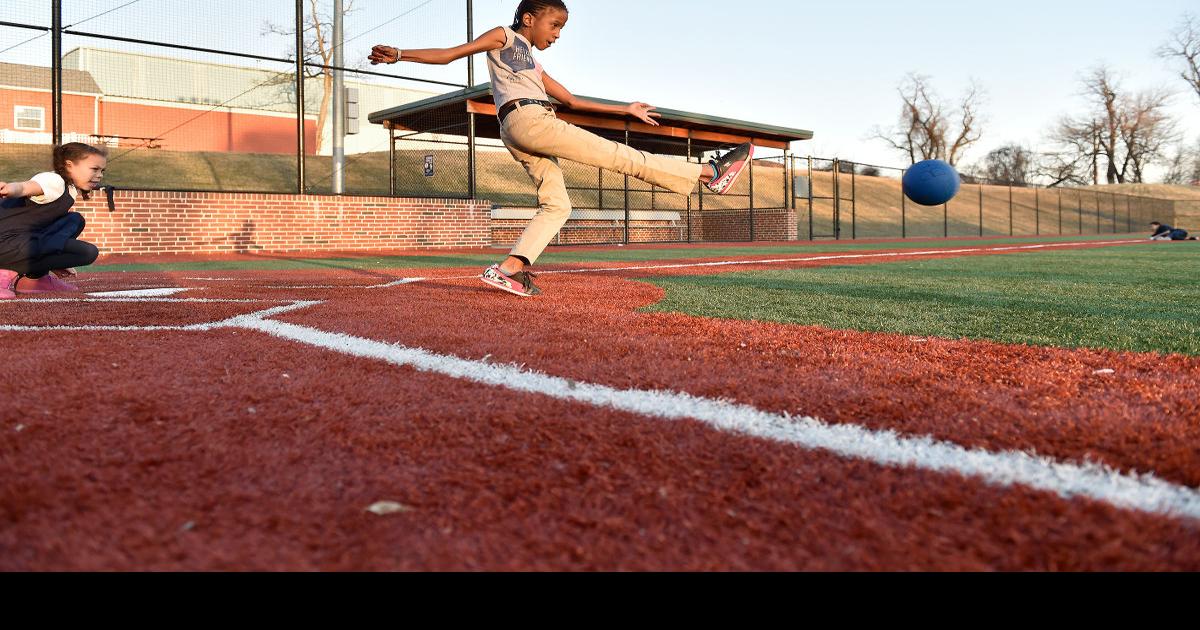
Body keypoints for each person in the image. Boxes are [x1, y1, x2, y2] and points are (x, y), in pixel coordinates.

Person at [370, 0, 753, 297]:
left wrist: (626, 108)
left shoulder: (533, 66)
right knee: (622, 157)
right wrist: (402, 54)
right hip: (530, 121)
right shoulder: (505, 35)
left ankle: (510, 268)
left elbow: (570, 99)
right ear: (528, 18)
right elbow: (453, 53)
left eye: (561, 28)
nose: (557, 34)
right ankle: (711, 173)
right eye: (554, 25)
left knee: (558, 204)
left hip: (520, 126)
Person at [0, 143, 105, 299]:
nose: (100, 175)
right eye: (94, 169)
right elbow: (25, 187)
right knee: (87, 252)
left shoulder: (69, 191)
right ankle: (3, 272)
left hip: (18, 241)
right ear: (70, 165)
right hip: (5, 242)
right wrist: (9, 189)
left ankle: (34, 279)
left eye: (102, 171)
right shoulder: (53, 180)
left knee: (74, 221)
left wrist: (53, 261)